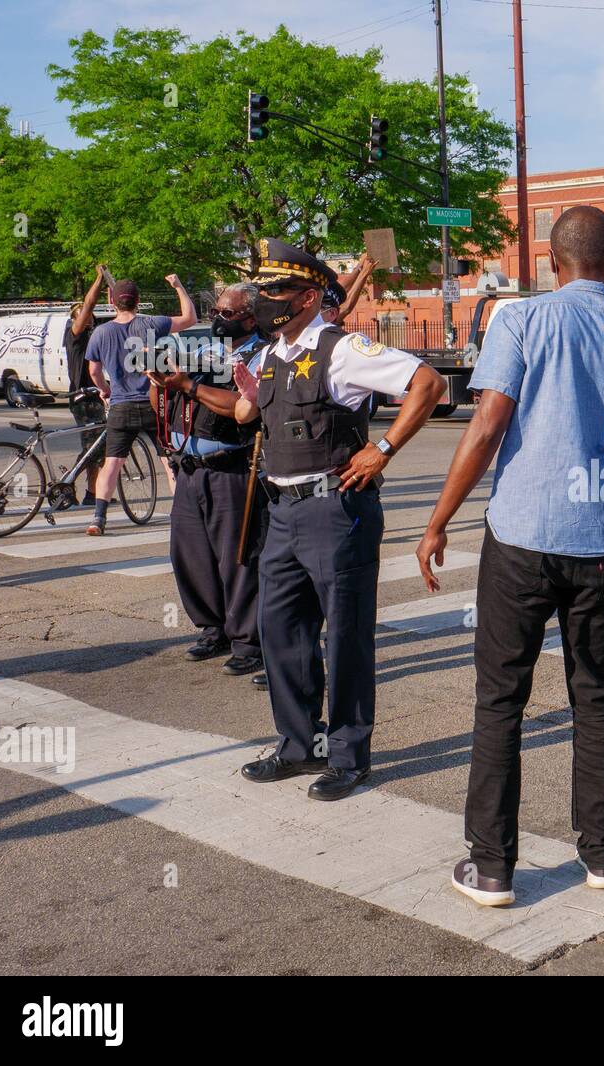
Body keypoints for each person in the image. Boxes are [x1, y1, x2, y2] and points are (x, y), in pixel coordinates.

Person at [416, 205, 604, 907]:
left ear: (553, 260)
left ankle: (492, 868)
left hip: (523, 535)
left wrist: (437, 520)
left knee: (501, 703)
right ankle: (603, 856)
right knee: (597, 697)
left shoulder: (520, 320)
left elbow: (488, 422)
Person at [231, 239, 444, 802]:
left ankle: (349, 754)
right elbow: (249, 414)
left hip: (335, 510)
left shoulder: (342, 348)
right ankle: (299, 744)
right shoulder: (269, 352)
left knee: (345, 637)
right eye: (262, 289)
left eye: (275, 290)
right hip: (281, 512)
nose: (264, 299)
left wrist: (384, 448)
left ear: (307, 296)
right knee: (282, 631)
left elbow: (428, 382)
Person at [147, 282, 267, 677]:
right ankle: (213, 627)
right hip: (190, 468)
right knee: (191, 555)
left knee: (238, 559)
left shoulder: (262, 356)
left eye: (226, 313)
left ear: (251, 317)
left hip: (232, 467)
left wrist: (189, 386)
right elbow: (167, 399)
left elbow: (242, 410)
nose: (217, 319)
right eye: (215, 311)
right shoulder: (206, 353)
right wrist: (158, 382)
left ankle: (249, 642)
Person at [84, 275, 197, 535]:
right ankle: (182, 515)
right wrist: (179, 286)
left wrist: (106, 390)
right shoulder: (150, 323)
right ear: (138, 301)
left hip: (121, 406)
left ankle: (98, 518)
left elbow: (93, 371)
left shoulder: (101, 332)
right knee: (168, 460)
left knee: (112, 463)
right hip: (154, 403)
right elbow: (189, 318)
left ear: (112, 302)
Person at [65, 265, 107, 505]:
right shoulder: (75, 335)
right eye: (82, 313)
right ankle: (67, 484)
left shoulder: (94, 334)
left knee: (99, 448)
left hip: (94, 396)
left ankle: (93, 494)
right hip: (83, 397)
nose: (88, 315)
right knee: (93, 446)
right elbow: (88, 305)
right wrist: (99, 280)